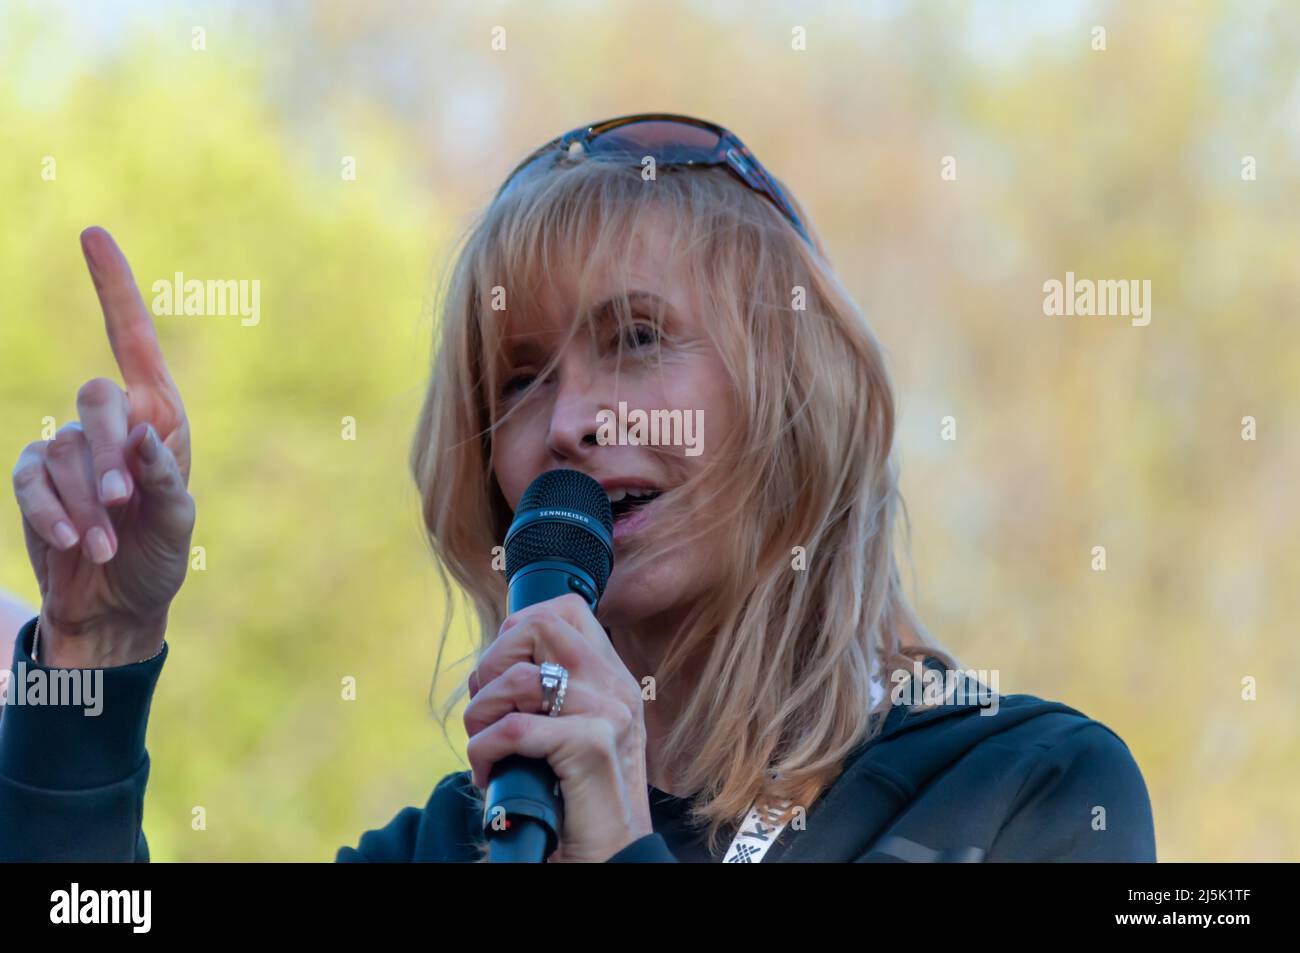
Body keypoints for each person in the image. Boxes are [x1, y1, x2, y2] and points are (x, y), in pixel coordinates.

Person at [1, 114, 1156, 862]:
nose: (568, 421)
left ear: (796, 395)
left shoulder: (1023, 793)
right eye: (518, 377)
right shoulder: (458, 844)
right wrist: (94, 657)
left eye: (637, 337)